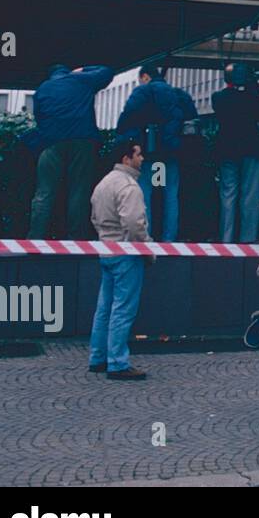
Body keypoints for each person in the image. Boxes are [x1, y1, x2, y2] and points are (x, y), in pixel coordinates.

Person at [87, 139, 152, 381]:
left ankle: (98, 357)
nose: (142, 158)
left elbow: (94, 217)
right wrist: (145, 249)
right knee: (123, 309)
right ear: (127, 158)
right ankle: (117, 362)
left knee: (104, 308)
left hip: (106, 249)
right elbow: (134, 224)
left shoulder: (103, 183)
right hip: (126, 253)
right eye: (138, 154)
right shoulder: (129, 186)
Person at [25, 63, 114, 239]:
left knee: (44, 192)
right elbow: (107, 72)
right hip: (82, 141)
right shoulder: (81, 80)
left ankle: (35, 236)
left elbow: (39, 117)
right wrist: (83, 70)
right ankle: (76, 238)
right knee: (79, 191)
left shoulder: (43, 88)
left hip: (52, 143)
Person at [115, 63, 196, 241]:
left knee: (146, 194)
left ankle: (147, 235)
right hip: (170, 154)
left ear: (145, 76)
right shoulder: (178, 94)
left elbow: (127, 118)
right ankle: (169, 237)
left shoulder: (143, 92)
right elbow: (191, 118)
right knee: (170, 195)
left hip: (150, 154)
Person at [212, 63, 259, 243]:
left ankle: (226, 238)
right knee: (250, 194)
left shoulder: (218, 98)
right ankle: (247, 238)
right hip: (251, 148)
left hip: (227, 149)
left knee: (228, 194)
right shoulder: (252, 98)